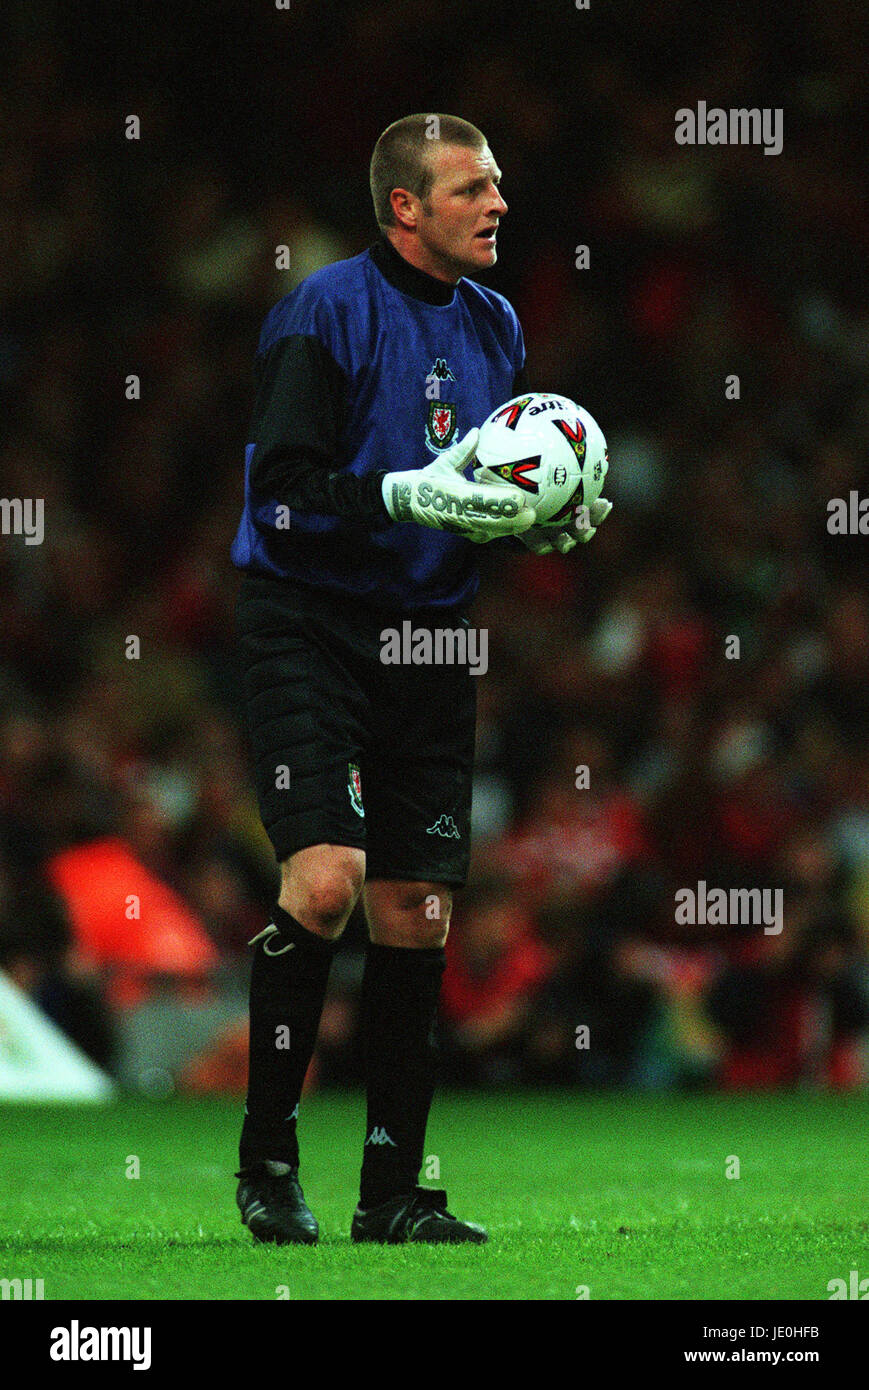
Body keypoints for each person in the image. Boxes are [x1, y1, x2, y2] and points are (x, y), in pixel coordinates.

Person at [229, 112, 610, 1245]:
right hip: (308, 621)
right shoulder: (325, 312)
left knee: (415, 910)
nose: (498, 205)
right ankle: (266, 1162)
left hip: (430, 636)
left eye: (495, 185)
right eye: (472, 189)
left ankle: (391, 1192)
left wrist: (536, 523)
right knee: (328, 882)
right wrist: (398, 494)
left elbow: (477, 487)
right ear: (406, 207)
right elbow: (280, 495)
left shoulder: (495, 324)